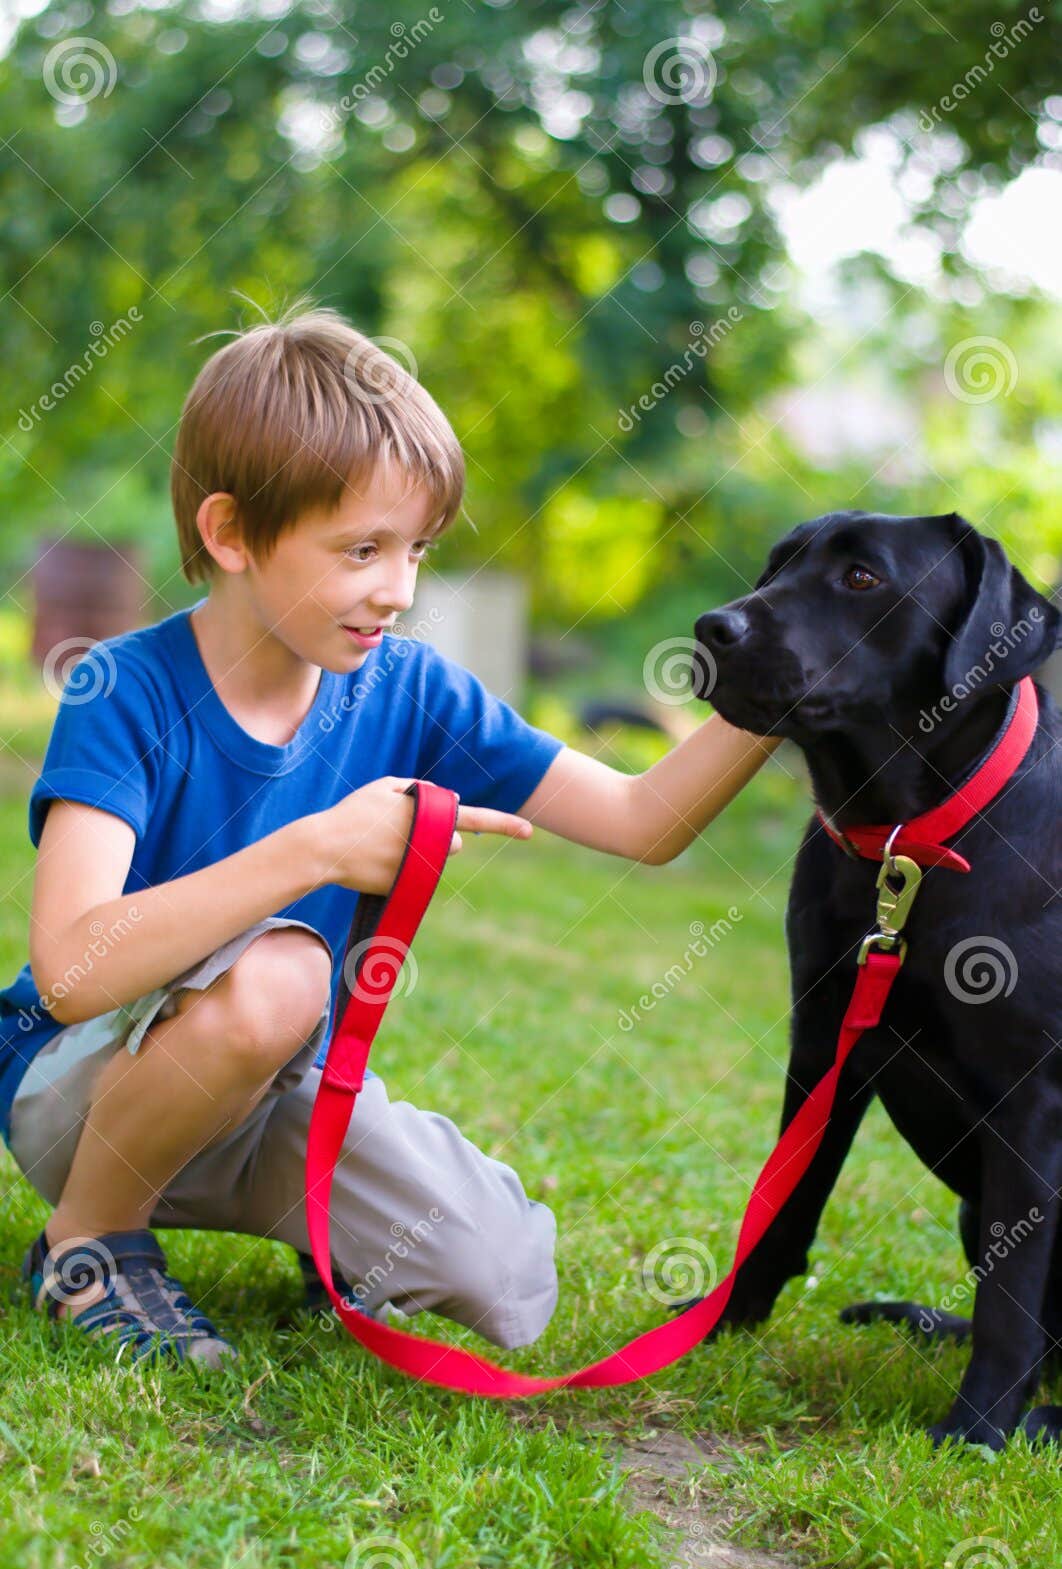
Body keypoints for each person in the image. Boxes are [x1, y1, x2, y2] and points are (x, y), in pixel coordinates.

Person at [0, 304, 777, 1370]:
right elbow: (73, 967)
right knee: (282, 975)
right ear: (230, 534)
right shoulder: (125, 689)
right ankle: (86, 1242)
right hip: (81, 1089)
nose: (398, 589)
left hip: (268, 1091)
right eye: (363, 548)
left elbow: (646, 822)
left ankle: (311, 1229)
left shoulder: (409, 689)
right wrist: (316, 849)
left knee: (505, 1278)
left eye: (416, 549)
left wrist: (780, 691)